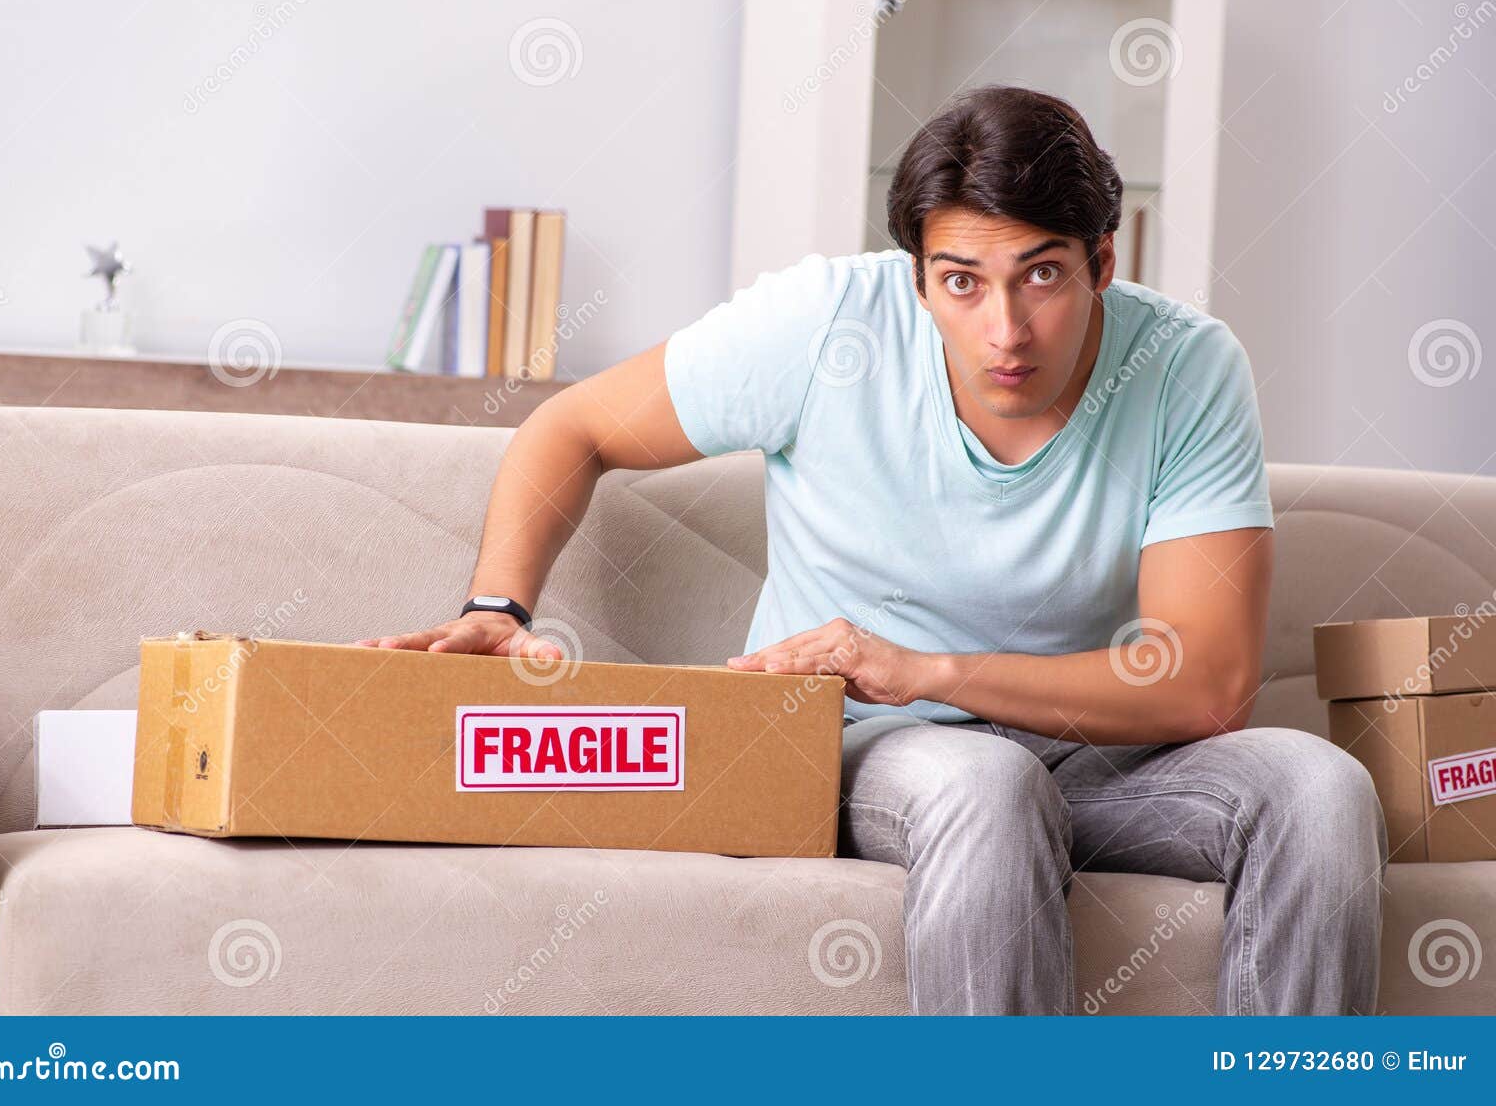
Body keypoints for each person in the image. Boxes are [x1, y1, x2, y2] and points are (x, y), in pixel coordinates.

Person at [361, 85, 1387, 1015]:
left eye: (1041, 276)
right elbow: (572, 428)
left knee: (1315, 786)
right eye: (961, 282)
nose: (1004, 331)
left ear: (1103, 264)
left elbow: (1205, 686)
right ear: (916, 278)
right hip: (871, 752)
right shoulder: (822, 326)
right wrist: (500, 608)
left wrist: (925, 668)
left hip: (1103, 758)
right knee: (985, 784)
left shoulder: (1184, 366)